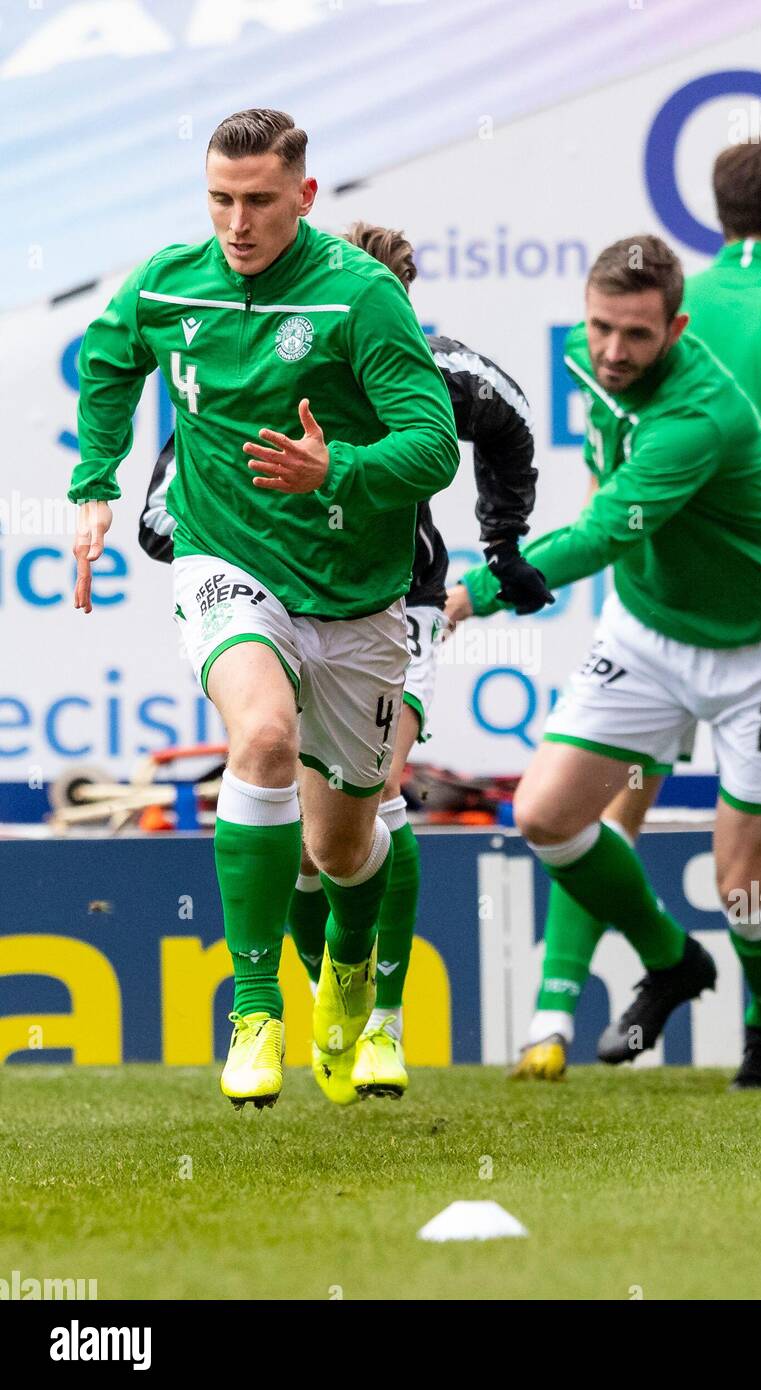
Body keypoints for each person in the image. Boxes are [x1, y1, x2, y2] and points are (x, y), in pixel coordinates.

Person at [70, 109, 460, 1110]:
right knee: (261, 740)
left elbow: (432, 448)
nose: (235, 223)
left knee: (341, 845)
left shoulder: (360, 297)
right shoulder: (168, 278)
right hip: (225, 561)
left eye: (256, 201)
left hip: (358, 600)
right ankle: (253, 1013)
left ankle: (354, 976)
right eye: (219, 199)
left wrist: (344, 467)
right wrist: (93, 485)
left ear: (305, 196)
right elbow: (111, 355)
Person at [138, 220, 552, 1104]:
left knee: (376, 800)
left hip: (397, 602)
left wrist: (502, 541)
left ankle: (382, 1022)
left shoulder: (434, 365)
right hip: (283, 596)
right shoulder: (266, 363)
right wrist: (216, 527)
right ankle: (304, 988)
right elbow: (162, 505)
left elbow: (509, 419)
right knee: (289, 815)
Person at [447, 232, 761, 1090]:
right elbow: (598, 479)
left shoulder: (699, 418)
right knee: (543, 815)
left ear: (678, 327)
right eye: (601, 327)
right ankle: (672, 959)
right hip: (649, 630)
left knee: (743, 885)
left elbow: (600, 533)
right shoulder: (589, 360)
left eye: (638, 336)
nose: (613, 351)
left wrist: (473, 592)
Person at [547, 143, 761, 1082]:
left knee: (622, 803)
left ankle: (550, 1021)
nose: (618, 349)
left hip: (652, 595)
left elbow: (601, 477)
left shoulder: (652, 333)